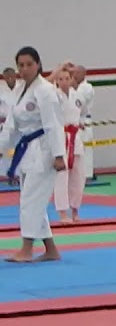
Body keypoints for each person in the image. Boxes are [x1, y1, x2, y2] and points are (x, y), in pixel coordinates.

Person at [0, 48, 66, 262]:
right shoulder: (20, 90)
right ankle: (51, 249)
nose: (24, 69)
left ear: (38, 64)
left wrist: (59, 155)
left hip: (45, 149)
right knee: (34, 199)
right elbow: (11, 127)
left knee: (30, 200)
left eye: (29, 64)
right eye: (21, 65)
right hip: (28, 150)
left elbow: (53, 125)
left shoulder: (46, 91)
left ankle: (26, 249)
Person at [53, 66, 87, 222]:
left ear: (71, 79)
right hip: (60, 137)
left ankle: (75, 210)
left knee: (78, 176)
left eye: (67, 79)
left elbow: (83, 114)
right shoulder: (53, 97)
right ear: (56, 81)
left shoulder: (78, 97)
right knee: (61, 176)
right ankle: (62, 212)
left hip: (76, 138)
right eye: (61, 79)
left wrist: (80, 123)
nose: (64, 82)